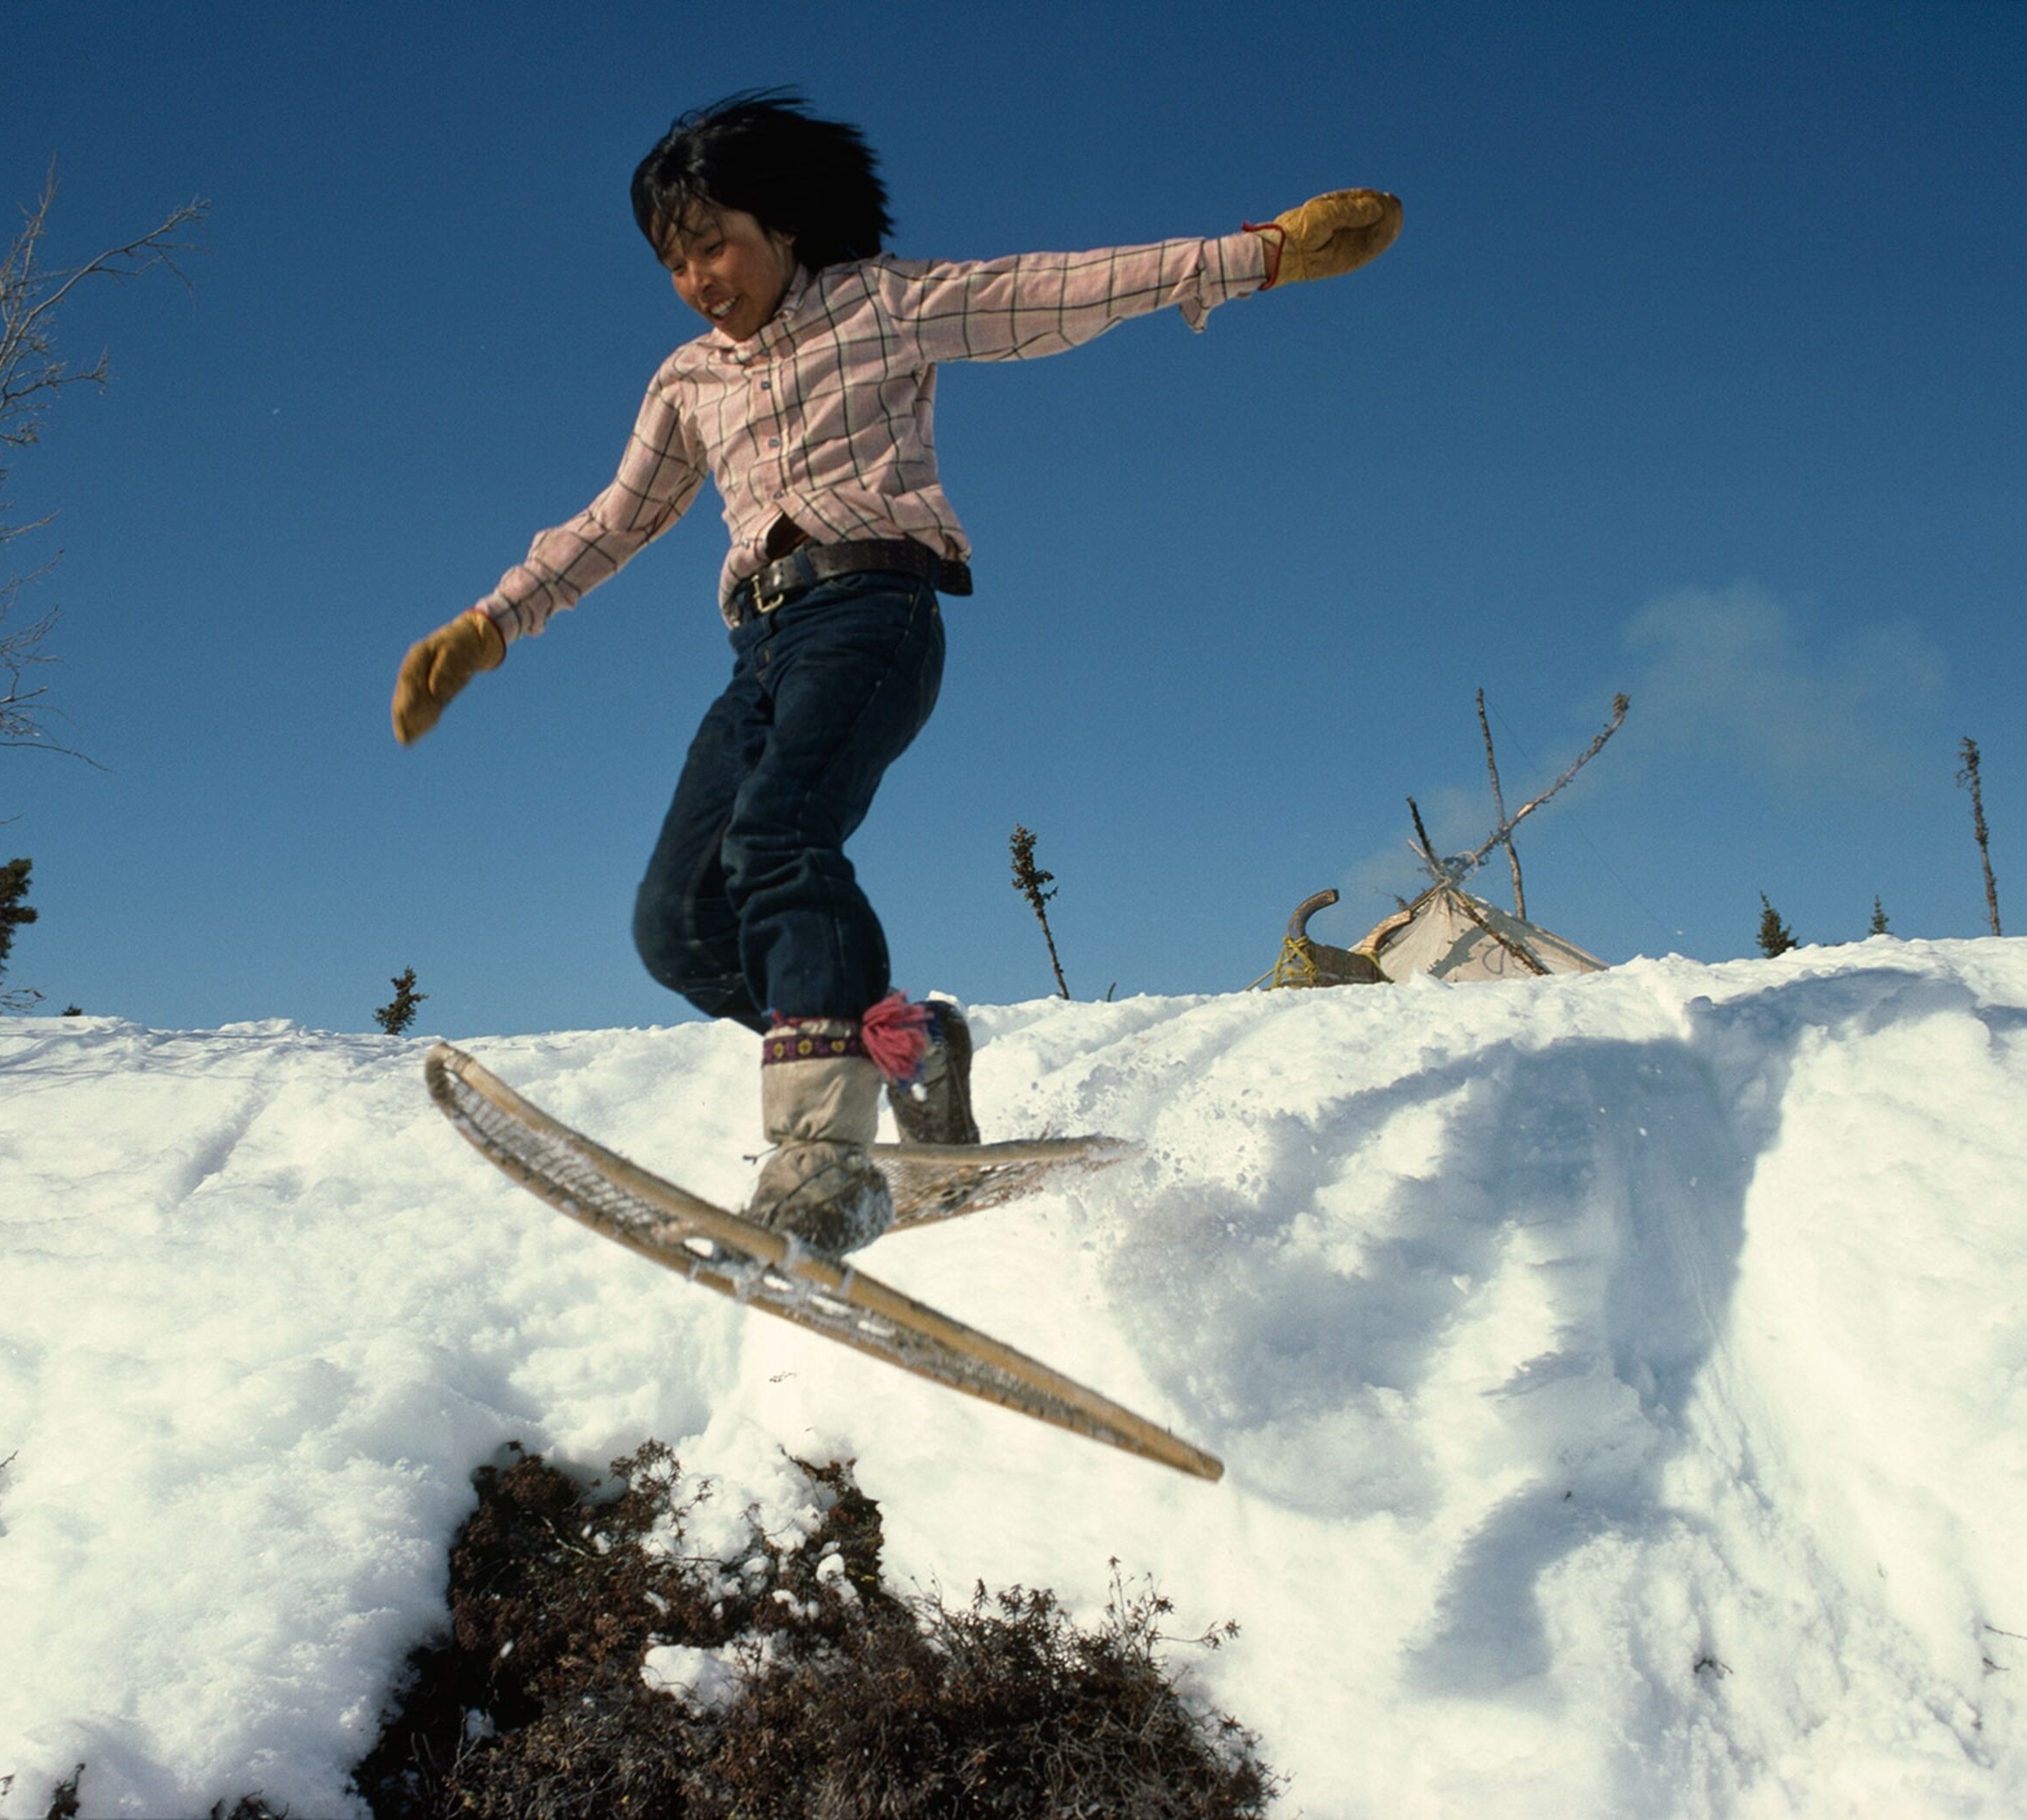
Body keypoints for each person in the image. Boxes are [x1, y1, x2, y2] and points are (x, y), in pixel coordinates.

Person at [393, 91, 1400, 1256]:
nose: (698, 277)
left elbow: (1061, 290)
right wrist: (487, 627)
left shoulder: (883, 304)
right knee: (678, 924)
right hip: (759, 648)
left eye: (714, 241)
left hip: (874, 612)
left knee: (776, 840)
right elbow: (613, 523)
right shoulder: (687, 383)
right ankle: (912, 1051)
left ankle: (822, 1158)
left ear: (784, 225)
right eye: (673, 260)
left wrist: (1259, 257)